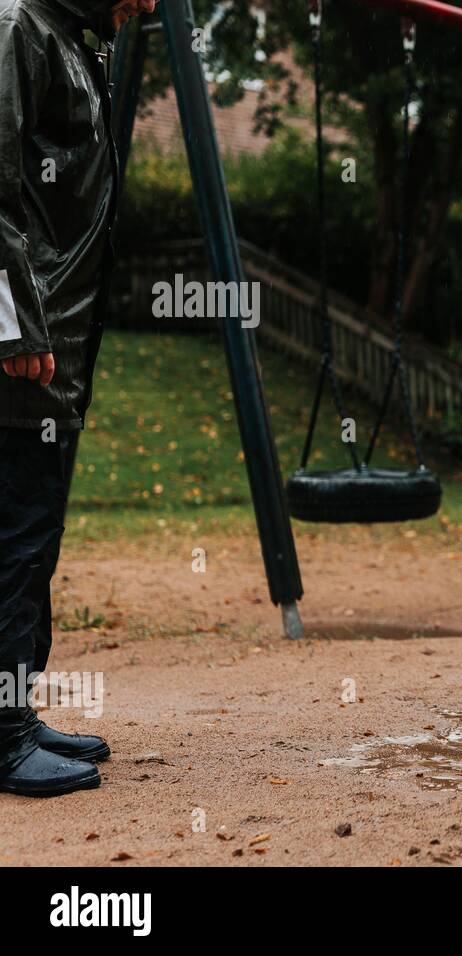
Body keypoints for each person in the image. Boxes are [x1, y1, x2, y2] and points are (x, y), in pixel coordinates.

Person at [0, 0, 157, 797]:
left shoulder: (67, 39)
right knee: (14, 538)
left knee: (33, 538)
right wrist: (14, 326)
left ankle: (13, 713)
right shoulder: (15, 26)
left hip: (53, 344)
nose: (151, 6)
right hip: (20, 349)